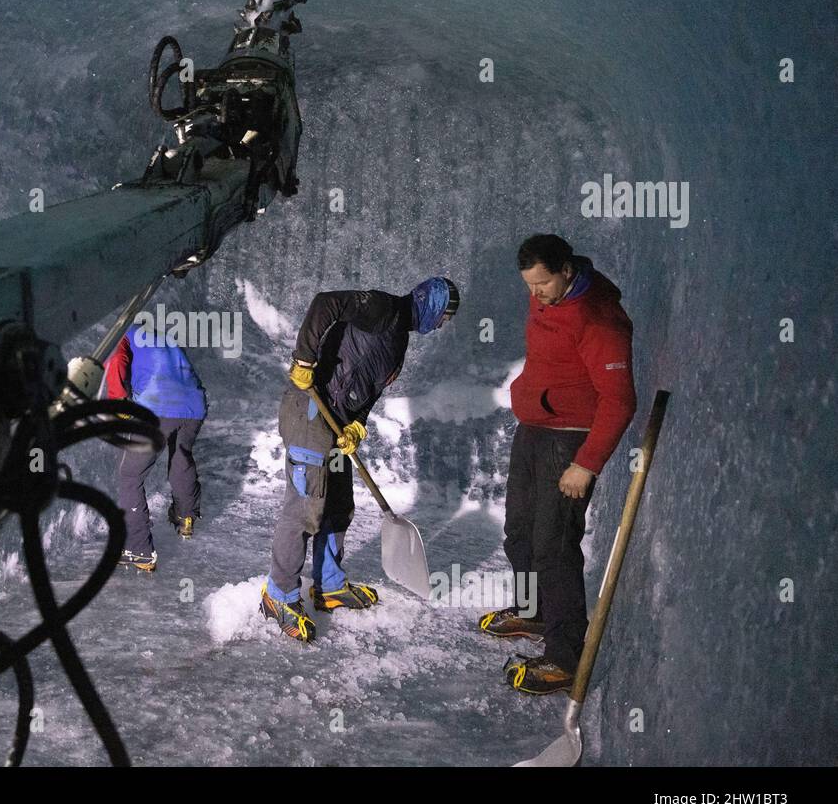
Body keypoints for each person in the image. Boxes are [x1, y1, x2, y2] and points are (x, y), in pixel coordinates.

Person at [260, 277, 460, 642]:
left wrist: (357, 426)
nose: (442, 325)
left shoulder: (398, 339)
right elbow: (325, 303)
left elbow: (366, 391)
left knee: (338, 505)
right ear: (433, 304)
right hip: (310, 409)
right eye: (445, 316)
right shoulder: (385, 308)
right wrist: (304, 356)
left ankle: (329, 584)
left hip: (335, 421)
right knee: (305, 508)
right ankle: (279, 594)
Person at [480, 234, 636, 694]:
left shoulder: (599, 319)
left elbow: (620, 400)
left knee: (554, 546)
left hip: (569, 441)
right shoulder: (549, 295)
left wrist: (586, 464)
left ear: (567, 269)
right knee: (520, 532)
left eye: (542, 283)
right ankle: (533, 612)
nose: (535, 294)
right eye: (528, 285)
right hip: (534, 429)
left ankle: (565, 658)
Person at [103, 323, 207, 572]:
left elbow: (116, 359)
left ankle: (137, 549)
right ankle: (186, 516)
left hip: (158, 406)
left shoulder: (123, 333)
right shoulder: (159, 335)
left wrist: (117, 401)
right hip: (194, 405)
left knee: (130, 475)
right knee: (181, 456)